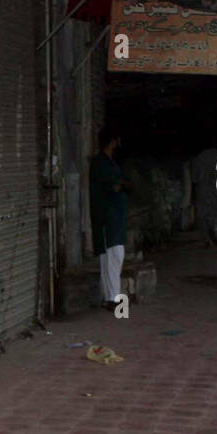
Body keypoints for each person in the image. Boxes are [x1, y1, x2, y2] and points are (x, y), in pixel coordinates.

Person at [90, 127, 130, 310]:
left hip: (112, 216)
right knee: (114, 256)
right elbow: (112, 186)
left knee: (110, 257)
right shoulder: (102, 164)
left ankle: (110, 296)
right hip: (108, 218)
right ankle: (112, 297)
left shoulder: (106, 162)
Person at [190, 138, 217, 247]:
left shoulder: (198, 158)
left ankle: (206, 239)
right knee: (216, 210)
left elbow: (194, 178)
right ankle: (212, 228)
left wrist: (193, 194)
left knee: (202, 214)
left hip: (202, 188)